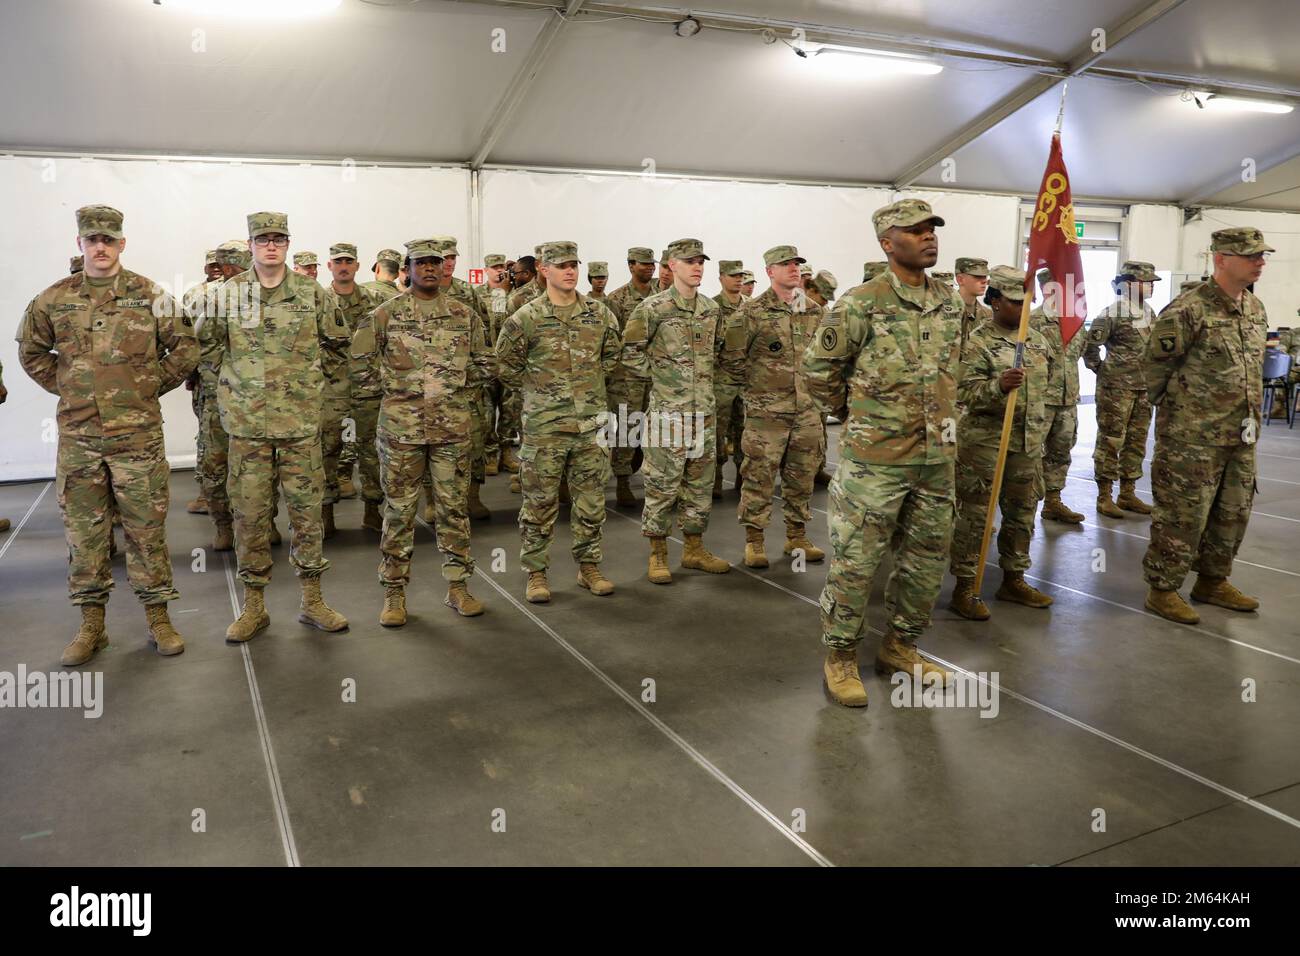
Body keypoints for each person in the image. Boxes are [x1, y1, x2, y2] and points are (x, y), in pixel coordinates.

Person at [17, 204, 198, 664]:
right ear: (79, 244)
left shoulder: (148, 294)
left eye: (108, 240)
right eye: (91, 240)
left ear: (122, 243)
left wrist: (149, 383)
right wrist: (68, 386)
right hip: (79, 437)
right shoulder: (54, 298)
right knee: (84, 531)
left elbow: (185, 347)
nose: (100, 247)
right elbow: (32, 350)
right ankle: (91, 624)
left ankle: (158, 616)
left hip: (136, 436)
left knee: (145, 528)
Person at [802, 199, 960, 708]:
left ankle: (901, 647)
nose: (929, 237)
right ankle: (841, 656)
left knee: (925, 562)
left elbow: (955, 370)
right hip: (876, 463)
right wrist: (858, 418)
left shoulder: (951, 302)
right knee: (856, 563)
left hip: (937, 459)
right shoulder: (858, 304)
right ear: (887, 243)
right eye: (915, 231)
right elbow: (819, 373)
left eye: (931, 229)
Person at [200, 211, 352, 642]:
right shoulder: (227, 295)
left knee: (307, 514)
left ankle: (312, 600)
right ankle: (254, 607)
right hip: (248, 429)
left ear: (288, 244)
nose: (271, 245)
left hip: (300, 424)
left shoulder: (311, 293)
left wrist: (313, 389)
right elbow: (207, 349)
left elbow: (339, 346)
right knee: (250, 515)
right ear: (249, 245)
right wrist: (237, 389)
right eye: (263, 239)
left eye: (279, 238)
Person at [352, 238, 495, 626]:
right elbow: (359, 365)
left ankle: (458, 586)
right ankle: (394, 592)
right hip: (401, 431)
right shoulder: (385, 314)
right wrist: (395, 393)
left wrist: (455, 391)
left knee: (453, 509)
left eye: (436, 262)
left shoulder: (464, 315)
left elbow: (485, 362)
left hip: (452, 429)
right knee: (399, 511)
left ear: (444, 267)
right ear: (407, 269)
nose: (429, 269)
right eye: (420, 263)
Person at [1142, 228, 1271, 624]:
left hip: (1241, 434)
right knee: (1183, 515)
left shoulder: (1254, 307)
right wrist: (1183, 413)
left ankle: (1213, 580)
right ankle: (1162, 589)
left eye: (1262, 255)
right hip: (1192, 438)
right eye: (1250, 255)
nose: (1260, 262)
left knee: (1232, 512)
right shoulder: (1188, 309)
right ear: (1220, 258)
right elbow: (1153, 370)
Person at [496, 242, 622, 602]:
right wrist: (542, 395)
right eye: (561, 265)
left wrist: (588, 389)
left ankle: (589, 567)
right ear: (543, 270)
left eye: (573, 265)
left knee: (592, 501)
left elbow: (612, 358)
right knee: (539, 503)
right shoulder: (526, 318)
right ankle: (536, 573)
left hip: (590, 426)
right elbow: (506, 367)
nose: (570, 271)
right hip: (545, 428)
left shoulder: (599, 314)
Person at [622, 239, 736, 583]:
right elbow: (630, 352)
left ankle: (694, 549)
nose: (697, 266)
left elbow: (717, 354)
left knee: (699, 485)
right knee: (661, 485)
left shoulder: (710, 309)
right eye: (689, 261)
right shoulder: (653, 308)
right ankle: (658, 553)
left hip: (703, 415)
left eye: (700, 260)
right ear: (671, 265)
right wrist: (662, 377)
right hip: (668, 416)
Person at [948, 266, 1054, 619]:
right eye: (1014, 303)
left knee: (1023, 513)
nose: (1023, 309)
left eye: (1027, 303)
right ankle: (965, 585)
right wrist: (998, 387)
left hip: (1027, 443)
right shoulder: (977, 342)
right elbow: (963, 392)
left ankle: (1014, 577)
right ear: (994, 302)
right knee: (976, 516)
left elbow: (1045, 391)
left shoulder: (1038, 341)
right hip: (985, 443)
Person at [723, 245, 825, 569]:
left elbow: (824, 359)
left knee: (802, 476)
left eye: (796, 263)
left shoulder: (814, 311)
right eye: (785, 264)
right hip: (766, 414)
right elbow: (732, 362)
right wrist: (756, 395)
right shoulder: (750, 313)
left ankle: (797, 536)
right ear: (770, 271)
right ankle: (755, 540)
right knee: (758, 477)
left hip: (806, 411)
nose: (794, 268)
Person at [1085, 260, 1161, 518]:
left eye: (1152, 283)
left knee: (1136, 442)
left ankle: (1127, 493)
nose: (1151, 287)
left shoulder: (1149, 312)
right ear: (1129, 285)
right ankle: (1104, 496)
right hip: (1116, 389)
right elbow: (1090, 348)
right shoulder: (1111, 314)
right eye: (1146, 283)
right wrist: (1104, 372)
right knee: (1111, 441)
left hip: (1143, 389)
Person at [325, 243, 386, 531]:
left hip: (368, 388)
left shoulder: (374, 302)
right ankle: (326, 513)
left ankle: (372, 509)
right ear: (330, 267)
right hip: (331, 388)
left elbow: (388, 340)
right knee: (327, 450)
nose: (344, 266)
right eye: (338, 261)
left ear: (358, 266)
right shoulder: (319, 301)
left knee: (371, 452)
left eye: (349, 261)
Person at [603, 247, 659, 507]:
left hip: (657, 377)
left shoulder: (662, 298)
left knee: (658, 430)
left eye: (652, 264)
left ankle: (656, 480)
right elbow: (611, 341)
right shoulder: (616, 299)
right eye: (643, 264)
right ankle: (623, 481)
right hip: (627, 378)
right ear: (630, 265)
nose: (649, 267)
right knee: (626, 430)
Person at [1032, 268, 1088, 523]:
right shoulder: (1031, 322)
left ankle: (1053, 502)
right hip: (1040, 400)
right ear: (1046, 290)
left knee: (1061, 451)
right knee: (1030, 455)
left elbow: (1081, 352)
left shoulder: (1074, 322)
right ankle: (1026, 508)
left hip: (1067, 400)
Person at [711, 260, 748, 498]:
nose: (738, 279)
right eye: (733, 275)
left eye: (740, 275)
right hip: (721, 381)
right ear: (722, 278)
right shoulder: (712, 307)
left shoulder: (751, 308)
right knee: (718, 430)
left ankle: (742, 475)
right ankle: (715, 476)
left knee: (744, 431)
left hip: (745, 381)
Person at [954, 256, 991, 347]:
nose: (984, 281)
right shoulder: (944, 312)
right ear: (960, 279)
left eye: (985, 277)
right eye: (978, 277)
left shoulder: (988, 315)